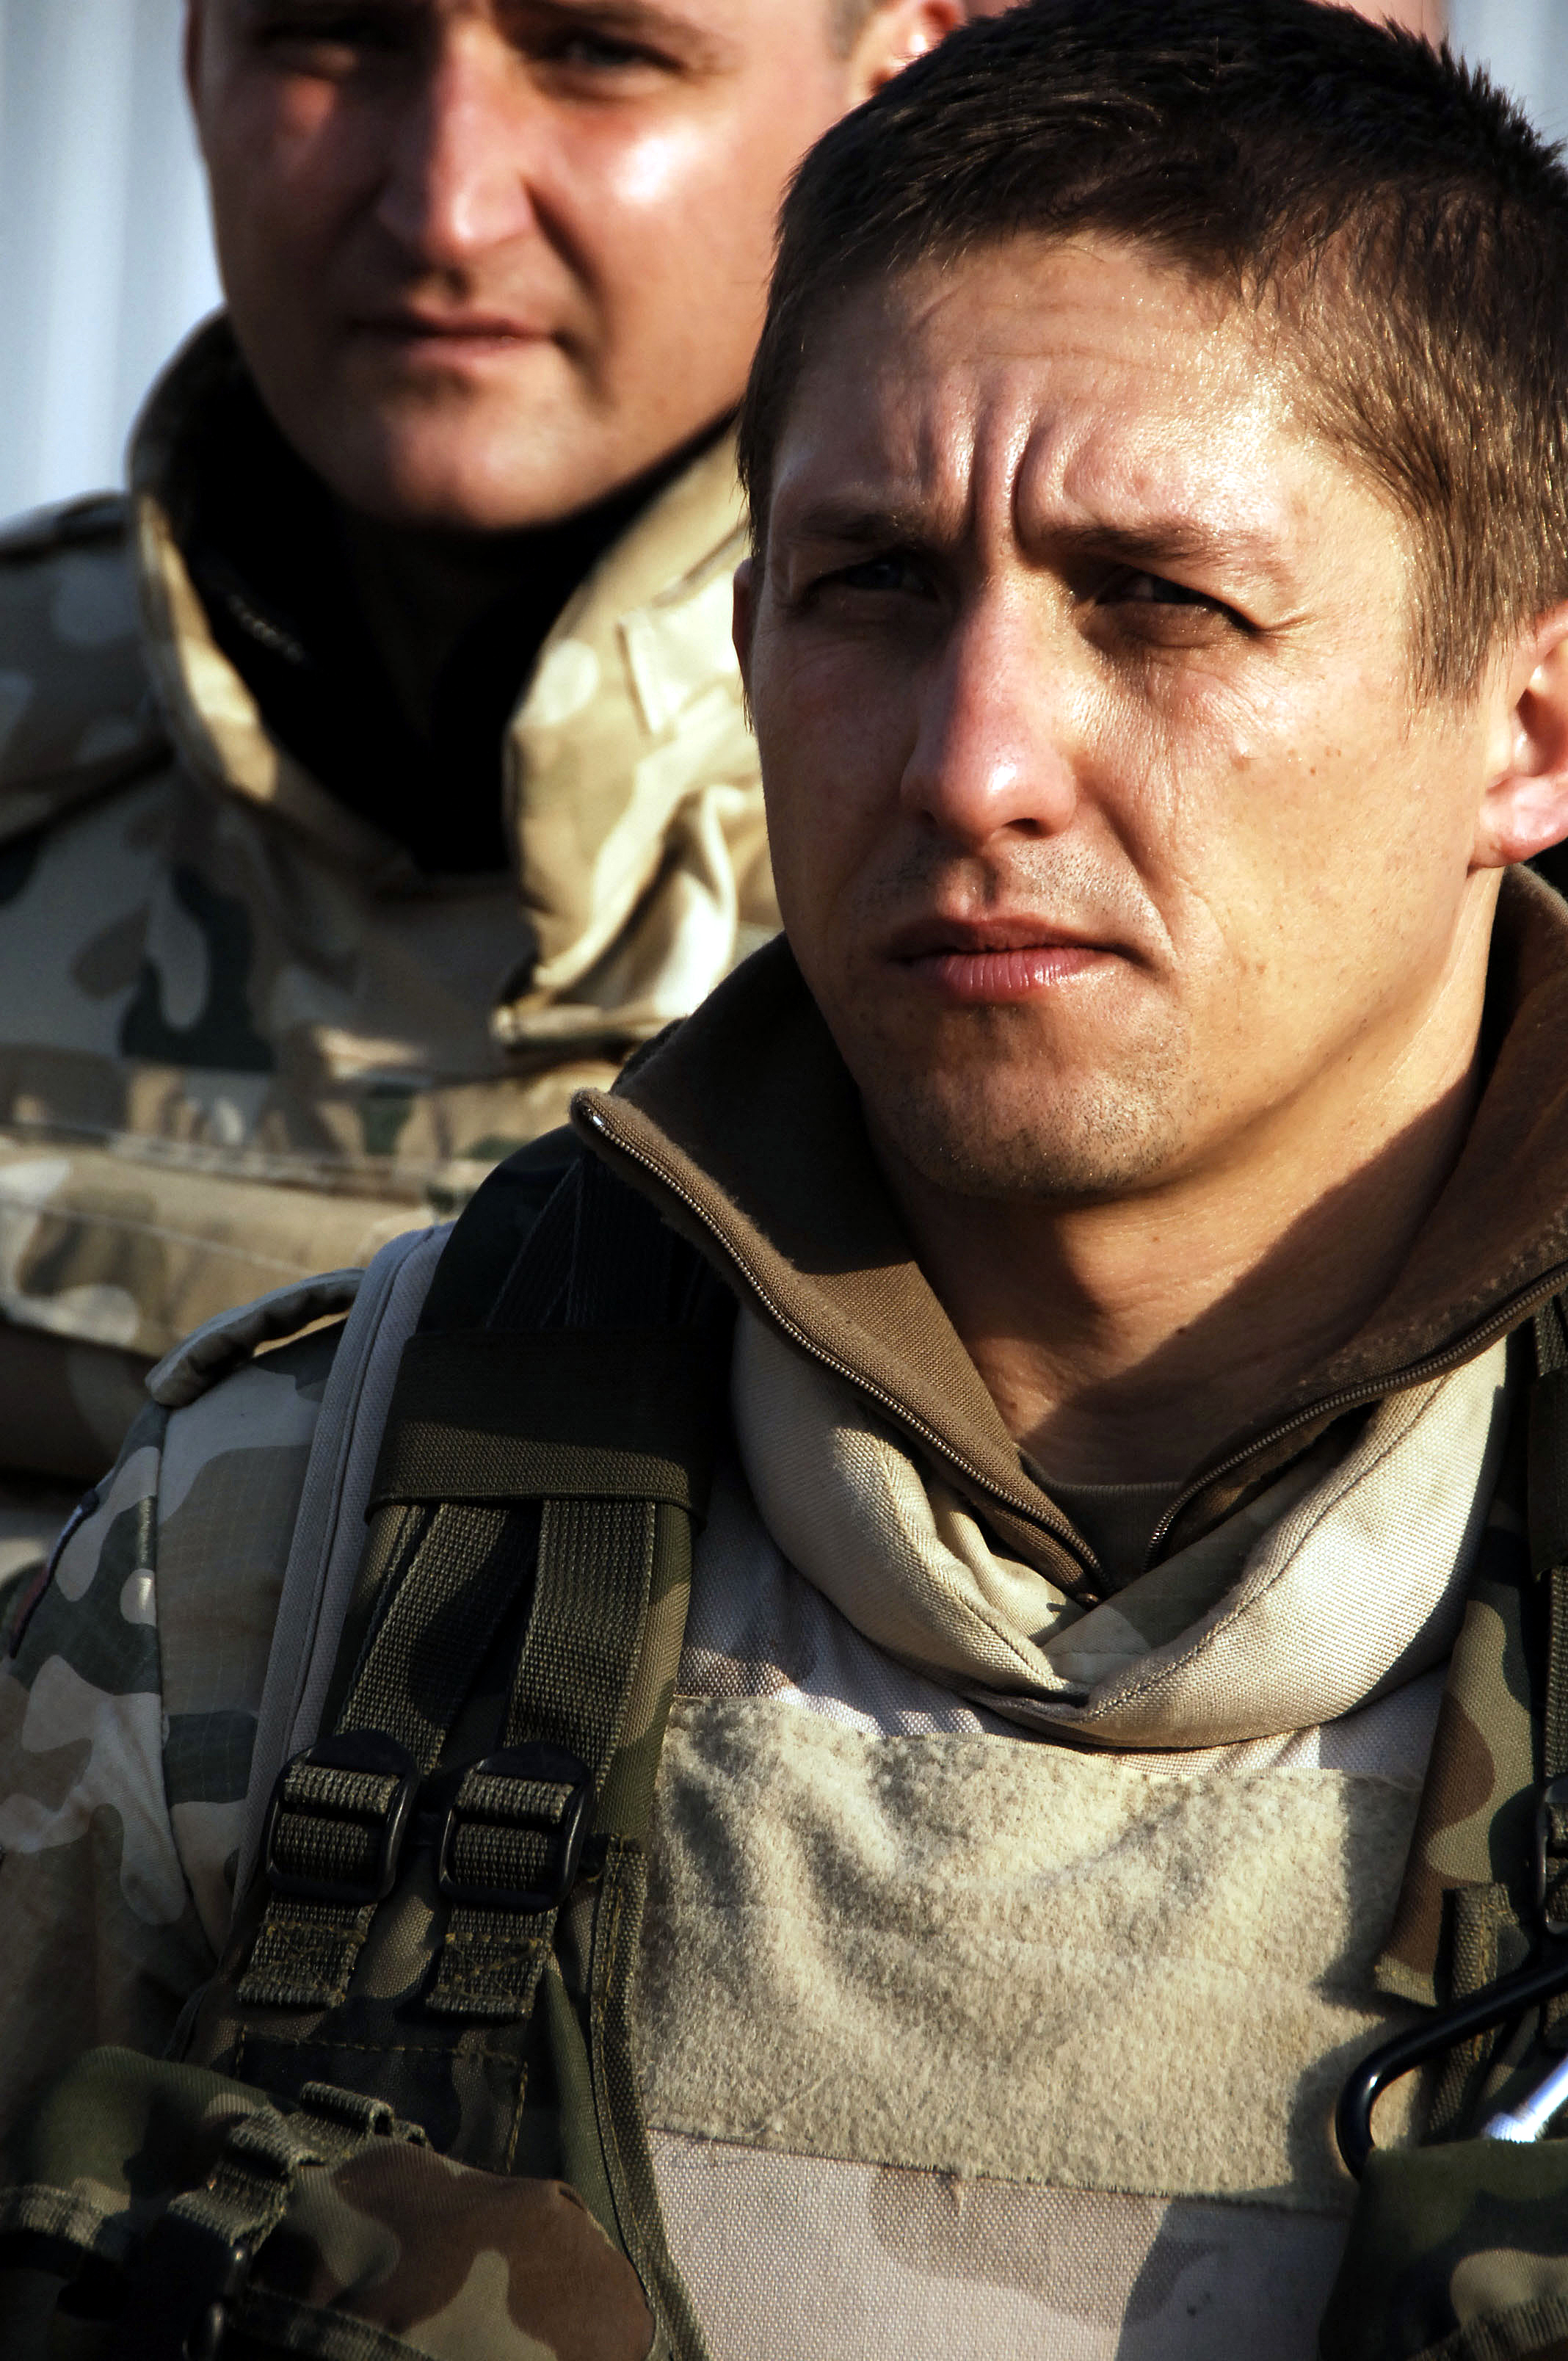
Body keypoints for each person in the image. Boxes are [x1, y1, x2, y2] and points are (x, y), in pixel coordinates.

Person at [6, 1, 1568, 2353]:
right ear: (744, 638)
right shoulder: (266, 1556)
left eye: (1157, 598)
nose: (975, 762)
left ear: (1530, 725)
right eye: (869, 583)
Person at [0, 0, 958, 1547]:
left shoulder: (1050, 849)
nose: (443, 206)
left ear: (892, 82)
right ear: (194, 61)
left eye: (598, 52)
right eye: (330, 38)